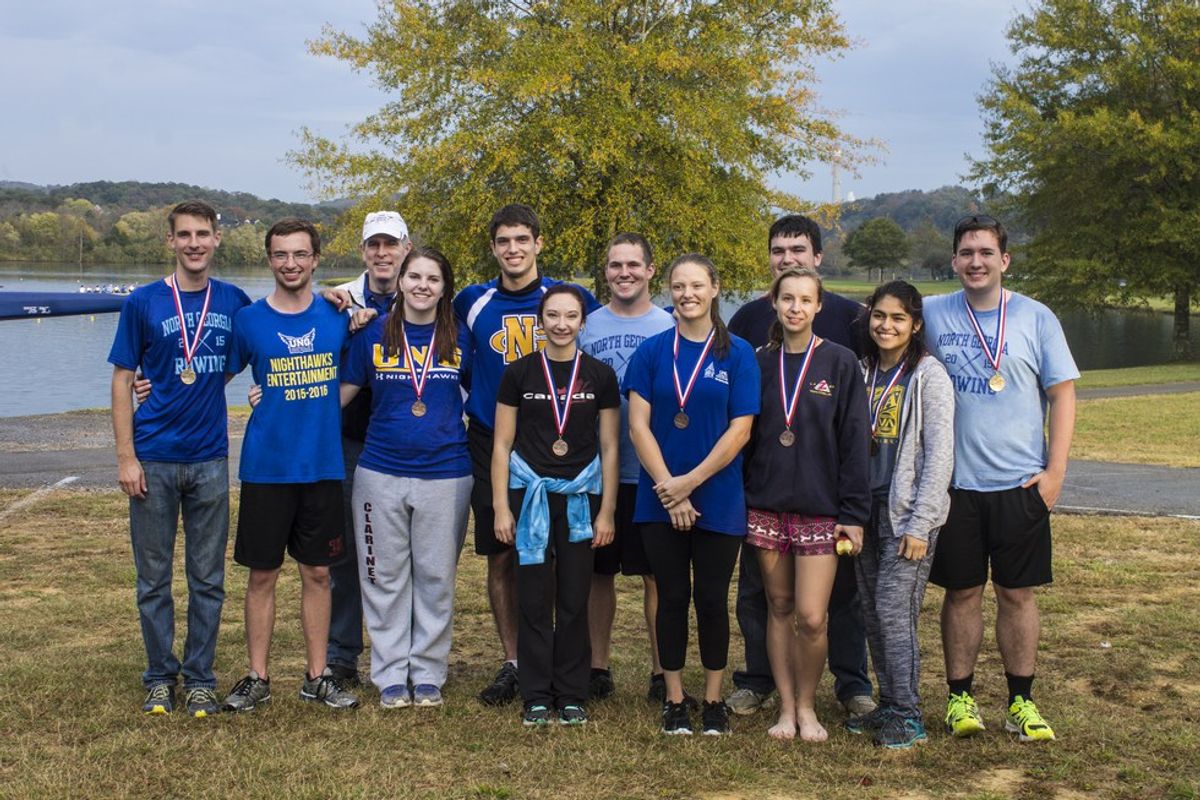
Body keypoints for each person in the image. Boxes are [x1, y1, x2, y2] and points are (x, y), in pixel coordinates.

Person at [924, 215, 1077, 742]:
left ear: (1004, 260)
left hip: (1019, 485)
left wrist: (1055, 472)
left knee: (1017, 595)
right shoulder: (932, 313)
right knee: (962, 593)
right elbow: (884, 337)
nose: (976, 262)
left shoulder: (1036, 318)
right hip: (955, 486)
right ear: (953, 261)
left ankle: (1021, 703)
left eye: (986, 253)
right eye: (966, 253)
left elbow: (1062, 395)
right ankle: (960, 698)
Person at [727, 214, 875, 718]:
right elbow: (740, 428)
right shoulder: (750, 336)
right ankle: (765, 685)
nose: (787, 258)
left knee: (827, 608)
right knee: (769, 603)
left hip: (823, 503)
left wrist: (854, 510)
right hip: (764, 502)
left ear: (817, 260)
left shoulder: (847, 337)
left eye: (797, 249)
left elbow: (856, 437)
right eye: (778, 250)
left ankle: (850, 685)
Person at [452, 204, 599, 706]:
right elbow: (419, 322)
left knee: (557, 557)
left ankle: (557, 660)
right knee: (503, 555)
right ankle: (515, 662)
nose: (513, 249)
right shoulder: (472, 300)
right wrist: (351, 299)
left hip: (556, 448)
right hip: (493, 440)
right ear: (493, 247)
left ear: (538, 242)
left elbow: (602, 351)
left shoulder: (568, 299)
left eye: (522, 239)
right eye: (503, 241)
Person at [108, 200, 250, 717]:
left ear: (217, 240)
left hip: (211, 458)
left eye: (203, 234)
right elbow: (124, 379)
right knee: (153, 579)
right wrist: (127, 457)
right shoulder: (143, 302)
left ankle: (199, 677)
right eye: (184, 234)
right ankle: (158, 676)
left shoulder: (234, 300)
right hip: (154, 458)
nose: (194, 243)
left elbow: (270, 342)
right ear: (170, 241)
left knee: (208, 579)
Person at [220, 218, 364, 712]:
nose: (291, 263)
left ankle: (317, 675)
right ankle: (257, 676)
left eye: (300, 254)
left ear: (316, 259)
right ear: (269, 259)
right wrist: (150, 387)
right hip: (266, 468)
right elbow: (209, 377)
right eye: (281, 254)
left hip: (322, 466)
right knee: (262, 576)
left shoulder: (336, 314)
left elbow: (360, 371)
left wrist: (326, 404)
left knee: (318, 575)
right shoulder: (249, 321)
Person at [626, 254, 760, 736]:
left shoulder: (739, 353)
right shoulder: (652, 351)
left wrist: (691, 483)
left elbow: (740, 429)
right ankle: (676, 698)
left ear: (715, 288)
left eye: (697, 285)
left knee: (710, 598)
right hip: (658, 499)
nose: (688, 294)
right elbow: (638, 427)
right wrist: (671, 489)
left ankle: (714, 700)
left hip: (718, 496)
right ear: (668, 289)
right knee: (671, 596)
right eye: (679, 286)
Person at [339, 246, 472, 708]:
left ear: (444, 287)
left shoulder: (461, 335)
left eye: (432, 279)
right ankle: (391, 673)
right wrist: (276, 402)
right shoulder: (373, 332)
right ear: (400, 280)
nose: (422, 286)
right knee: (383, 577)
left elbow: (491, 396)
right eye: (414, 276)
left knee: (436, 577)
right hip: (380, 472)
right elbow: (340, 394)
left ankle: (429, 673)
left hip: (447, 472)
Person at [492, 285, 620, 725]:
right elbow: (502, 443)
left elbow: (610, 446)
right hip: (529, 499)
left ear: (583, 322)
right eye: (553, 315)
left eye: (570, 316)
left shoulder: (601, 376)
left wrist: (607, 511)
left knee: (573, 598)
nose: (561, 324)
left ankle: (571, 692)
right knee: (533, 597)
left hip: (581, 502)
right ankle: (535, 694)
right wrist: (500, 507)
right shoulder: (520, 373)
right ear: (540, 321)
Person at [844, 280, 954, 749]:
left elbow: (939, 455)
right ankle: (888, 702)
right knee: (871, 611)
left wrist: (922, 523)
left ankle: (908, 713)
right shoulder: (861, 369)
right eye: (879, 316)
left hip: (905, 513)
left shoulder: (929, 376)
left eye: (897, 318)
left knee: (894, 611)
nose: (886, 326)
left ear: (915, 325)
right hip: (864, 509)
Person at [577, 233, 674, 702]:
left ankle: (661, 669)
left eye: (634, 265)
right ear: (606, 271)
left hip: (653, 472)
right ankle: (598, 665)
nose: (624, 273)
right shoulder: (586, 326)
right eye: (615, 265)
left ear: (651, 270)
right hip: (597, 470)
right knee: (600, 572)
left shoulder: (671, 325)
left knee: (656, 573)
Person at [325, 210, 413, 688]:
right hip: (351, 439)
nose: (382, 254)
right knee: (347, 552)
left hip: (405, 442)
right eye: (373, 245)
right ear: (363, 252)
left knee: (401, 554)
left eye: (391, 244)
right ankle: (342, 654)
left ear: (406, 247)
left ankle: (402, 652)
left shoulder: (426, 293)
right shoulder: (338, 300)